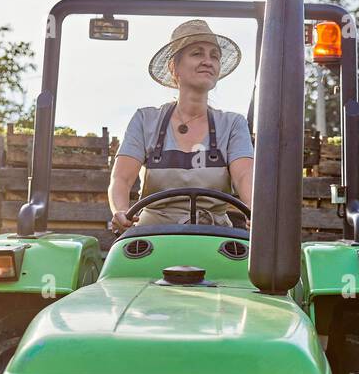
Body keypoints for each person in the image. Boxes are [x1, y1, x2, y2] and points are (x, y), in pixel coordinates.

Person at [108, 19, 254, 231]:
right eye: (197, 53)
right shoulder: (145, 120)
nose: (208, 61)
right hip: (154, 235)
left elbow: (244, 176)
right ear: (174, 67)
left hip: (214, 234)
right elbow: (121, 177)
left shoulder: (232, 124)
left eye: (214, 56)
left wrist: (253, 208)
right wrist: (120, 211)